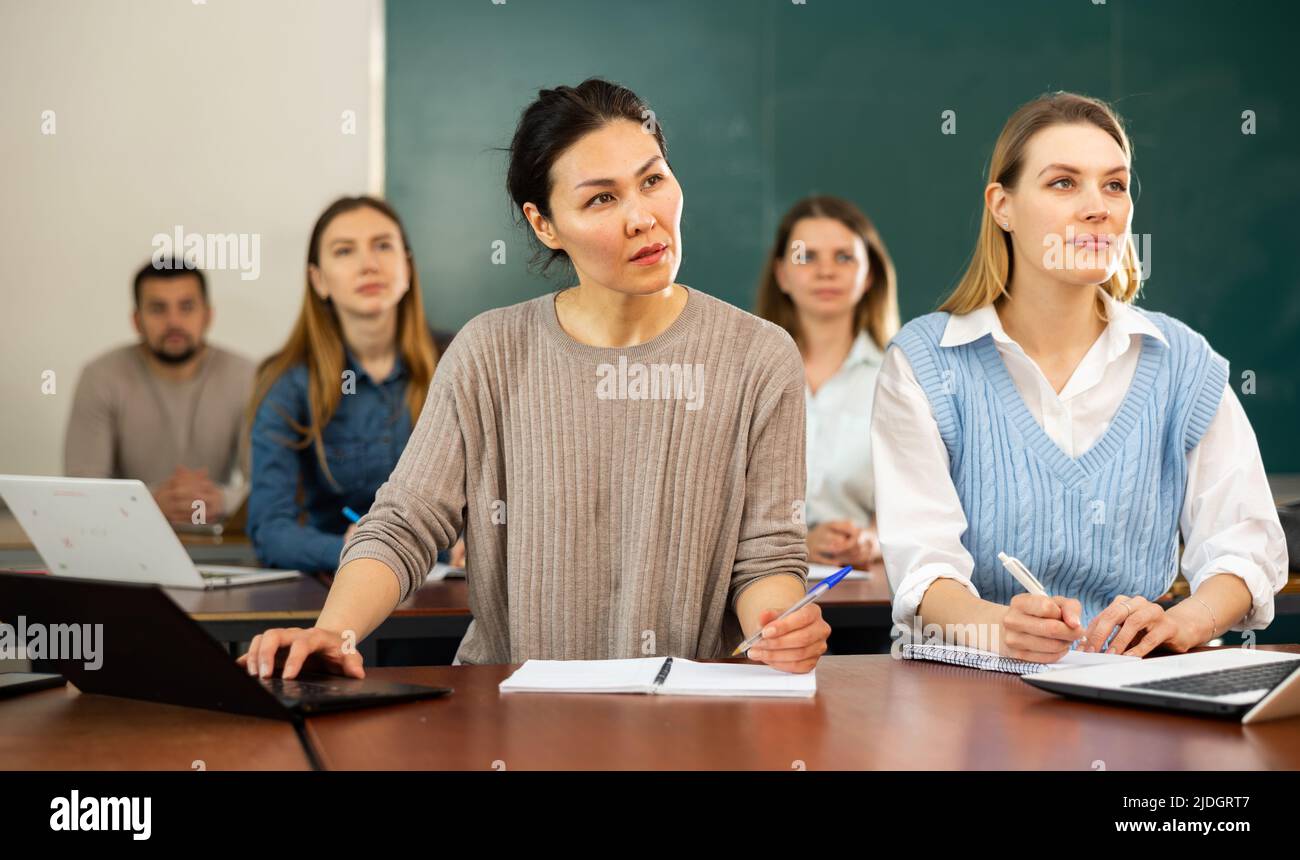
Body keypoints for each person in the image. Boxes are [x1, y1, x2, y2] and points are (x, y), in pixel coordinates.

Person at [239, 78, 830, 679]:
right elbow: (406, 522)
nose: (642, 217)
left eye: (652, 180)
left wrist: (779, 625)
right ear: (544, 224)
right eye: (601, 199)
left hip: (684, 713)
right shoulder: (488, 352)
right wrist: (331, 632)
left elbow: (766, 557)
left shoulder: (759, 355)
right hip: (510, 716)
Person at [872, 92, 1287, 662]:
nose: (1098, 207)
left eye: (1115, 185)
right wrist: (999, 627)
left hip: (1133, 695)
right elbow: (923, 571)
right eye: (1063, 182)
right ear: (1003, 206)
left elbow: (1246, 546)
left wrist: (1183, 621)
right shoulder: (923, 363)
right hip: (969, 702)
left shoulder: (1182, 362)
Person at [246, 196, 440, 572]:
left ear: (407, 267)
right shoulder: (287, 383)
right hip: (337, 589)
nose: (368, 265)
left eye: (383, 246)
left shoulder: (459, 362)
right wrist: (356, 548)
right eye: (344, 251)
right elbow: (270, 532)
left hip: (442, 587)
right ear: (319, 280)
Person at [757, 195, 899, 569]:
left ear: (868, 275)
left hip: (868, 591)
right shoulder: (749, 377)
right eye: (806, 257)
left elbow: (919, 496)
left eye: (843, 257)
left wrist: (872, 540)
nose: (825, 271)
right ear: (782, 274)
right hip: (762, 587)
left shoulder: (899, 379)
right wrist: (799, 540)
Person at [65, 261, 253, 525]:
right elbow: (80, 490)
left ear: (208, 315)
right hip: (126, 534)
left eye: (186, 307)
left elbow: (272, 486)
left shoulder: (247, 376)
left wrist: (221, 500)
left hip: (219, 540)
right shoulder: (100, 376)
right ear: (136, 320)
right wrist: (148, 503)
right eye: (157, 309)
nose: (173, 321)